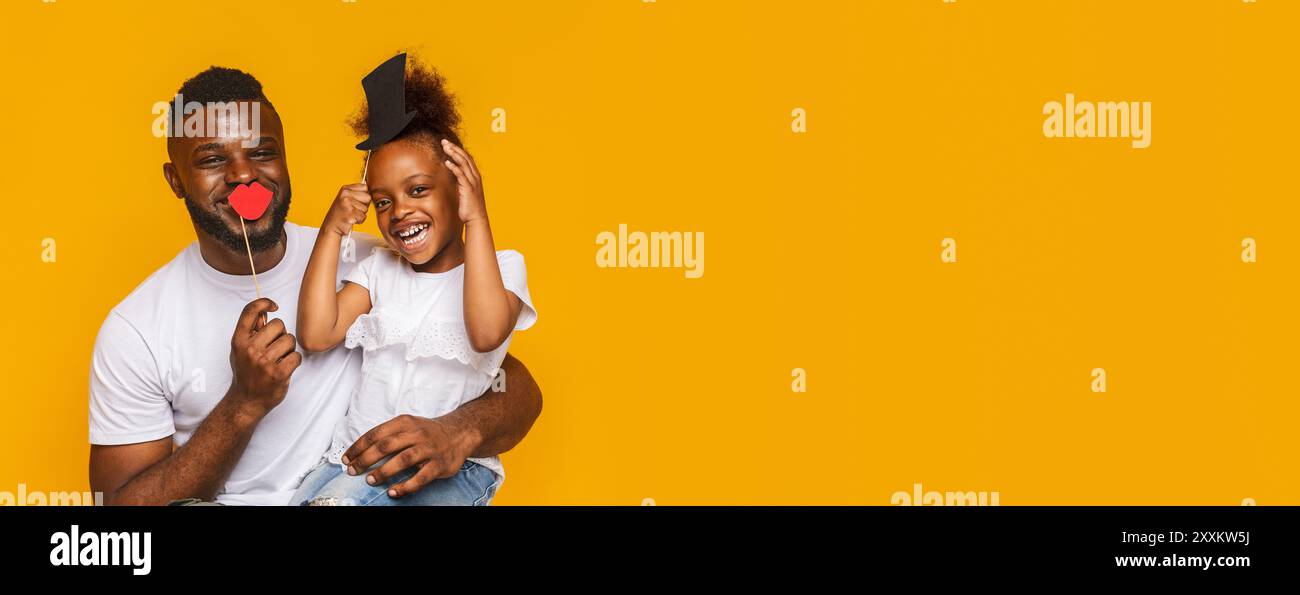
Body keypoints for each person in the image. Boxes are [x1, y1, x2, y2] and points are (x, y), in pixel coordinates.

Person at [87, 66, 542, 506]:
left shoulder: (386, 258)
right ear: (175, 180)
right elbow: (120, 515)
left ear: (285, 158)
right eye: (211, 159)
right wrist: (243, 404)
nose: (243, 175)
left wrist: (456, 431)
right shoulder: (136, 328)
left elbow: (504, 375)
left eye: (262, 152)